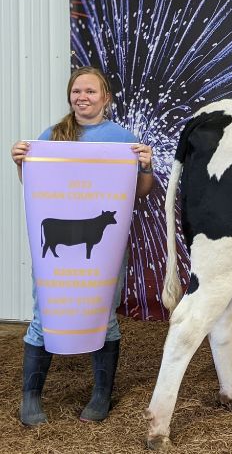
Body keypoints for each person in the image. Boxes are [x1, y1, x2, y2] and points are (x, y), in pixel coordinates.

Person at [10, 66, 154, 425]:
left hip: (106, 254)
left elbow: (138, 192)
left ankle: (101, 395)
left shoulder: (122, 140)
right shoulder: (51, 136)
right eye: (77, 91)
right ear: (69, 96)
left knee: (104, 316)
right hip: (58, 254)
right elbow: (35, 186)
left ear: (105, 98)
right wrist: (20, 162)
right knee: (44, 313)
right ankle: (31, 397)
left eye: (90, 91)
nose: (82, 97)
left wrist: (146, 166)